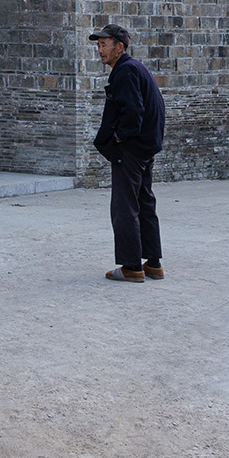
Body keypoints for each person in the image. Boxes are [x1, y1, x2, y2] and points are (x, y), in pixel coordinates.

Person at [89, 24, 165, 283]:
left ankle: (132, 266)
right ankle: (152, 263)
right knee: (144, 202)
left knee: (124, 206)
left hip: (132, 149)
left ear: (119, 47)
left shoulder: (125, 71)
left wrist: (120, 137)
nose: (100, 50)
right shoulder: (134, 68)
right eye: (98, 45)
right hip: (145, 147)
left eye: (104, 45)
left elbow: (134, 112)